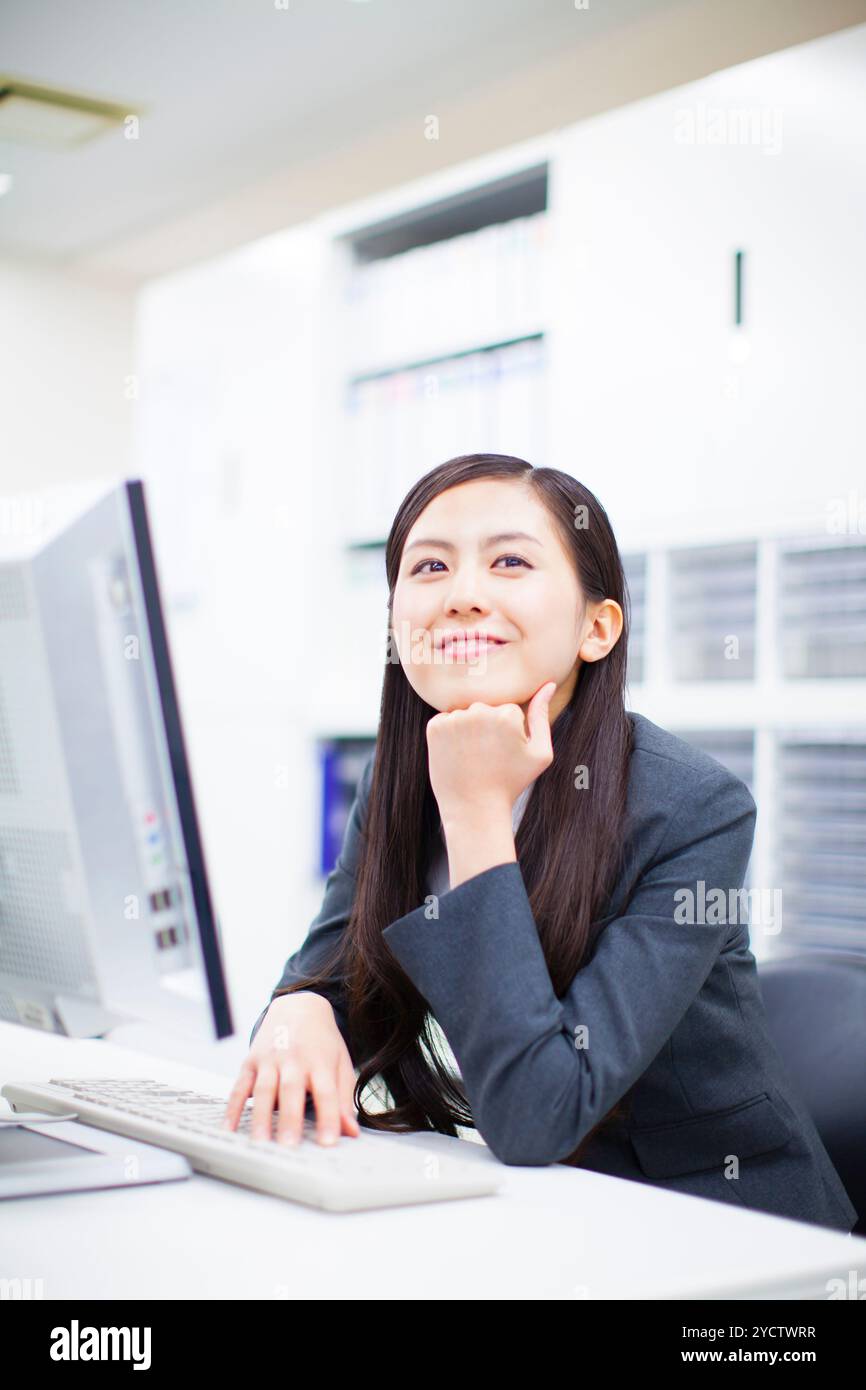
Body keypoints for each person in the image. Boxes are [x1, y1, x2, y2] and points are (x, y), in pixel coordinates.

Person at [224, 452, 857, 1232]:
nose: (462, 597)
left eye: (510, 562)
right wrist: (298, 1012)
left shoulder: (696, 809)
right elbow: (324, 980)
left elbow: (538, 1115)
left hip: (726, 1236)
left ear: (598, 627)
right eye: (429, 567)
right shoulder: (398, 784)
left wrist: (478, 815)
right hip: (539, 1214)